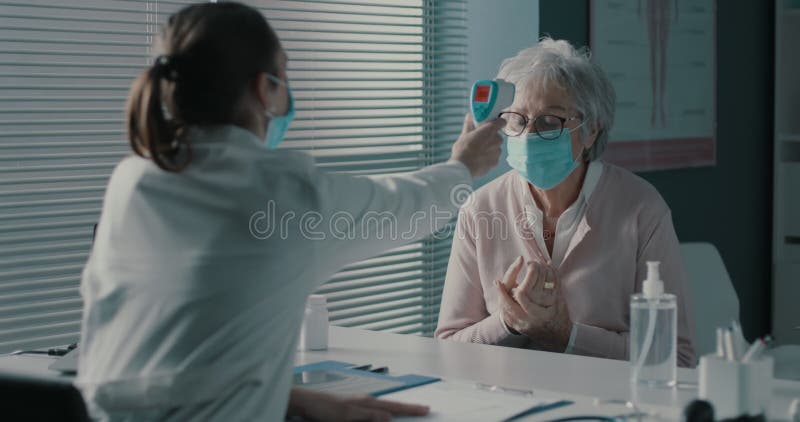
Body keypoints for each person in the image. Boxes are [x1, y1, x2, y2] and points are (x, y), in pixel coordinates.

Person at [75, 3, 504, 421]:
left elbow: (176, 359)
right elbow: (404, 205)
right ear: (265, 89)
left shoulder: (131, 182)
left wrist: (287, 398)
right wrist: (463, 166)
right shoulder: (280, 191)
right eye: (284, 75)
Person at [434, 38, 696, 367]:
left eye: (549, 122)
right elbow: (448, 347)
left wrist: (566, 335)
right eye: (517, 119)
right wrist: (508, 322)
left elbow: (678, 358)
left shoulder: (641, 209)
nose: (529, 135)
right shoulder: (480, 209)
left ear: (591, 131)